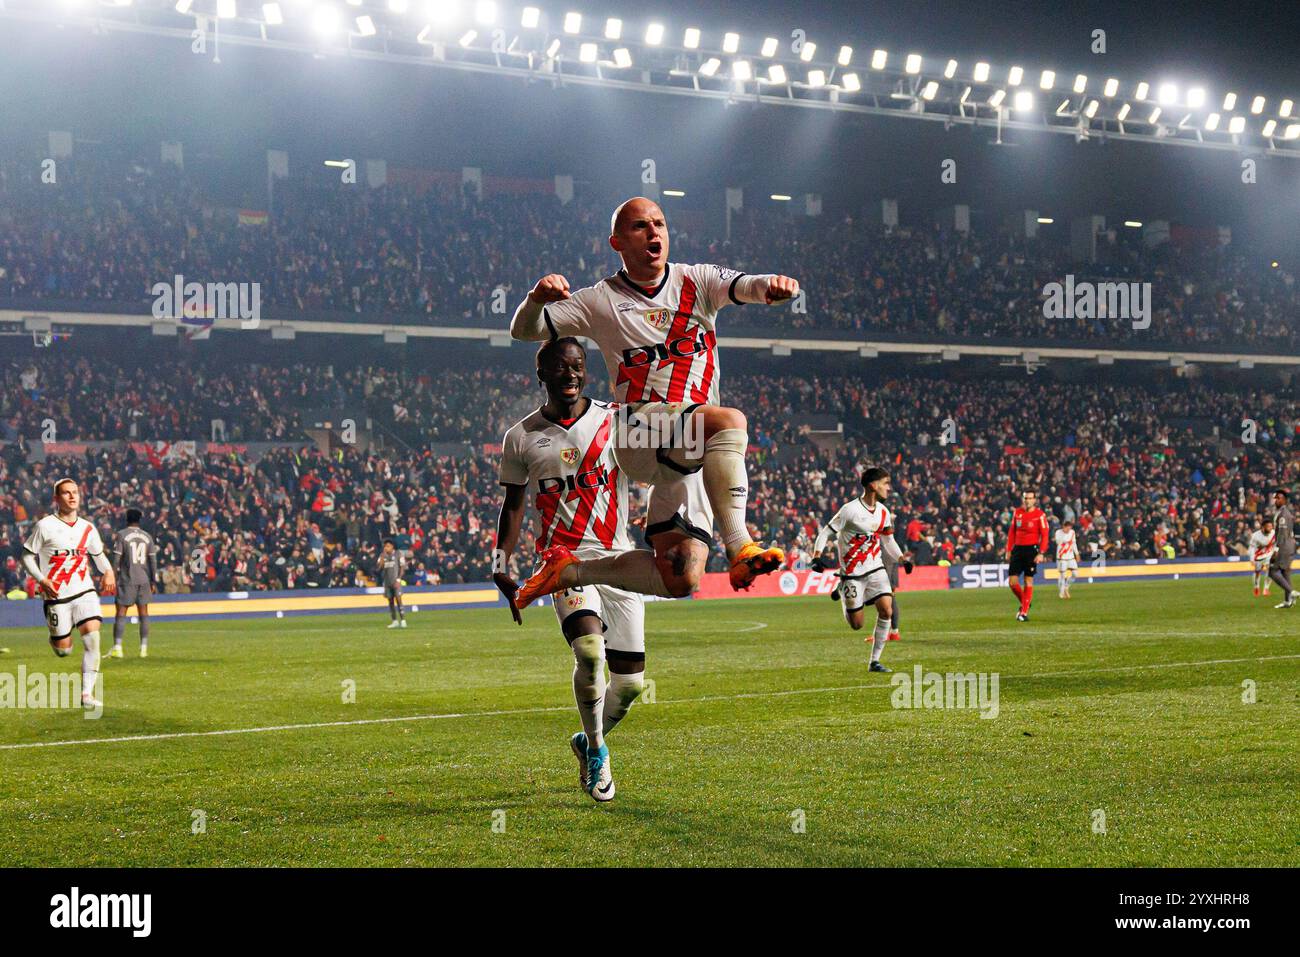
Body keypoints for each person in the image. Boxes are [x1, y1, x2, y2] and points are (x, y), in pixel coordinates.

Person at [510, 196, 798, 605]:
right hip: (640, 434)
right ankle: (740, 545)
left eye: (659, 224)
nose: (654, 232)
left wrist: (773, 285)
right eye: (640, 226)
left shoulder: (696, 280)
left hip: (691, 443)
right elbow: (524, 330)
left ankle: (570, 570)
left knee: (680, 574)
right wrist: (536, 298)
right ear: (617, 243)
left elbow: (746, 284)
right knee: (730, 421)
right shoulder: (600, 300)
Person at [494, 338, 645, 801]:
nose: (571, 373)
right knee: (590, 652)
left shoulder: (614, 420)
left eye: (578, 365)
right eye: (561, 367)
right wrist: (501, 561)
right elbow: (513, 504)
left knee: (633, 683)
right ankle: (598, 750)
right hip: (565, 561)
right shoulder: (520, 437)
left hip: (618, 559)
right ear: (542, 375)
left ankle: (585, 739)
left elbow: (657, 468)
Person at [20, 478, 116, 710]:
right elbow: (26, 556)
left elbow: (98, 554)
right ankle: (58, 639)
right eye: (66, 493)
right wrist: (42, 579)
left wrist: (109, 571)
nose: (72, 497)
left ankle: (86, 694)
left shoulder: (87, 528)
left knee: (93, 638)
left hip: (84, 591)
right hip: (56, 596)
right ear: (56, 498)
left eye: (75, 493)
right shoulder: (45, 526)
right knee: (64, 650)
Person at [810, 466, 909, 673]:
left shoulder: (883, 512)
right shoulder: (850, 511)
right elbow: (825, 533)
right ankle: (842, 588)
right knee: (857, 624)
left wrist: (902, 558)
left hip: (875, 568)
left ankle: (875, 661)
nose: (888, 488)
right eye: (885, 483)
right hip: (852, 574)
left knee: (887, 609)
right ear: (873, 485)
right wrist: (816, 557)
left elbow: (888, 540)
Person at [110, 508, 157, 658]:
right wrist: (153, 580)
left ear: (127, 519)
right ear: (139, 520)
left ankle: (118, 647)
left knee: (121, 613)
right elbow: (153, 561)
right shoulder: (147, 537)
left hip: (127, 578)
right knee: (144, 614)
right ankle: (143, 649)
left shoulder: (122, 535)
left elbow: (117, 559)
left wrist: (113, 575)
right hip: (144, 579)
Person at [1006, 489, 1049, 621]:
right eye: (1026, 498)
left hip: (1032, 550)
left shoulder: (1040, 515)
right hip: (1018, 550)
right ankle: (1026, 602)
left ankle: (1023, 612)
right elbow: (1012, 532)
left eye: (1030, 498)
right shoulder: (1017, 513)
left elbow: (1045, 535)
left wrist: (1041, 553)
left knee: (1028, 580)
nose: (1028, 500)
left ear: (1034, 500)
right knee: (1012, 582)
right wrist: (1008, 549)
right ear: (1023, 499)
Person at [1268, 488, 1295, 608]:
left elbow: (1282, 534)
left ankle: (1292, 593)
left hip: (1284, 546)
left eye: (1278, 498)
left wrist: (1275, 550)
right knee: (1285, 572)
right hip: (1289, 545)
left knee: (1272, 571)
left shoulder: (1283, 514)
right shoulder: (1282, 512)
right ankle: (1288, 601)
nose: (1276, 500)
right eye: (1275, 498)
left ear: (1284, 500)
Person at [378, 539, 406, 628]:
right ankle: (394, 621)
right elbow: (379, 568)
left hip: (396, 581)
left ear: (392, 546)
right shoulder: (382, 555)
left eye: (388, 546)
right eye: (385, 546)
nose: (386, 548)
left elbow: (402, 568)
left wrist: (398, 580)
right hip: (387, 582)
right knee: (390, 601)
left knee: (398, 600)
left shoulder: (398, 554)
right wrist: (382, 556)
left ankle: (403, 620)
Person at [1247, 518, 1275, 598]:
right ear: (1262, 527)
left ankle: (1266, 589)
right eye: (1268, 527)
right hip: (1258, 556)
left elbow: (1277, 543)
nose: (1270, 528)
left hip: (1269, 554)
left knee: (1271, 571)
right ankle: (1256, 587)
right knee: (1258, 572)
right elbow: (1252, 548)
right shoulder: (1255, 535)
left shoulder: (1273, 533)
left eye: (1271, 526)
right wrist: (1252, 559)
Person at [1054, 519, 1079, 599]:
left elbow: (1074, 543)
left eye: (1069, 527)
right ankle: (1061, 594)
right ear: (1063, 527)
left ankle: (1066, 586)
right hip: (1061, 557)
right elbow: (1059, 542)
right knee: (1062, 575)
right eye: (1067, 528)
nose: (1068, 529)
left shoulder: (1072, 532)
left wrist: (1077, 554)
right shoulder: (1058, 533)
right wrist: (1067, 540)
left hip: (1071, 557)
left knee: (1075, 573)